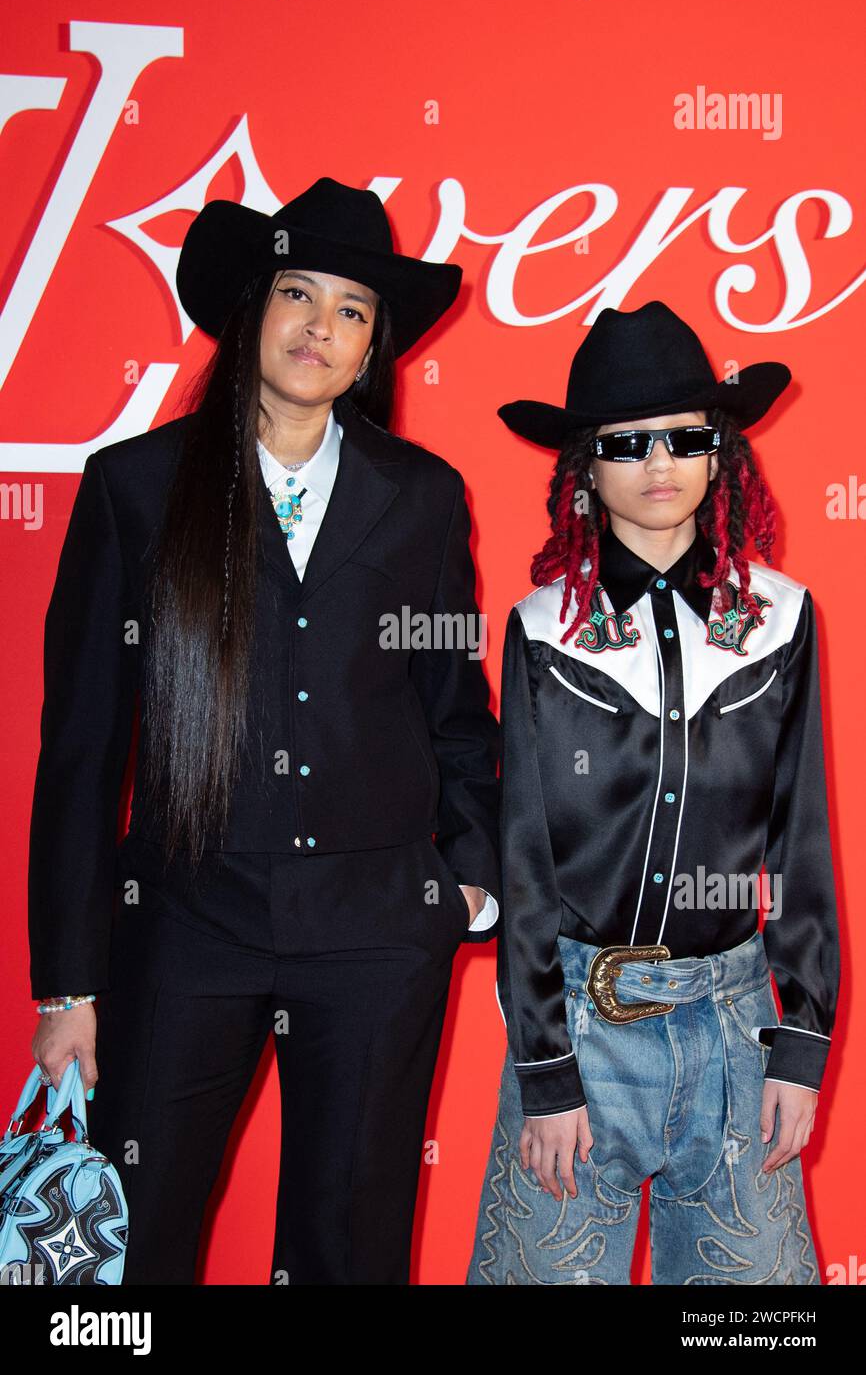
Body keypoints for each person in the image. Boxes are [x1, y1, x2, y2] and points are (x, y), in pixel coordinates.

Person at [27, 176, 501, 1285]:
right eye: (298, 293)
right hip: (186, 921)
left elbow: (453, 707)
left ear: (373, 344)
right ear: (252, 310)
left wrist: (467, 882)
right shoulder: (135, 488)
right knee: (130, 1239)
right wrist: (68, 985)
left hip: (377, 931)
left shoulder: (421, 494)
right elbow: (85, 750)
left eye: (351, 310)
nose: (319, 328)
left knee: (352, 1240)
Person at [466, 300, 840, 1285]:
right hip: (580, 1030)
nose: (659, 463)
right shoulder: (541, 626)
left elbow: (800, 843)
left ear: (719, 454)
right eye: (625, 444)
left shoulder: (780, 618)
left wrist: (799, 1043)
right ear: (582, 470)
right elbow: (524, 856)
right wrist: (543, 1071)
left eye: (684, 436)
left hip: (735, 1030)